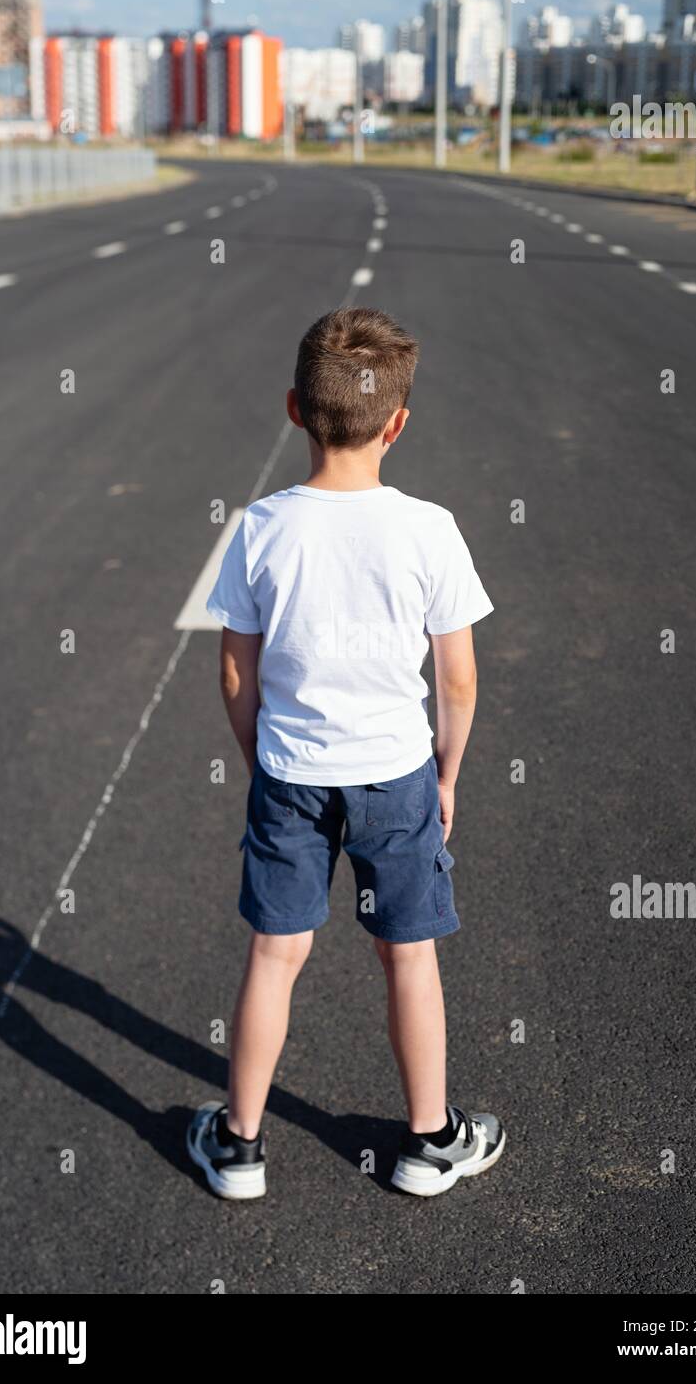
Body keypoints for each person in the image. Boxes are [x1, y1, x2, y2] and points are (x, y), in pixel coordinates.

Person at [187, 307, 504, 1199]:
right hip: (396, 774)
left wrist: (261, 765)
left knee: (274, 954)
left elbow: (234, 674)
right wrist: (445, 773)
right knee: (408, 955)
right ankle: (430, 1141)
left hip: (289, 775)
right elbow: (459, 678)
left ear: (295, 409)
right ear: (397, 422)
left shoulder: (258, 529)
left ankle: (241, 1146)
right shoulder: (429, 528)